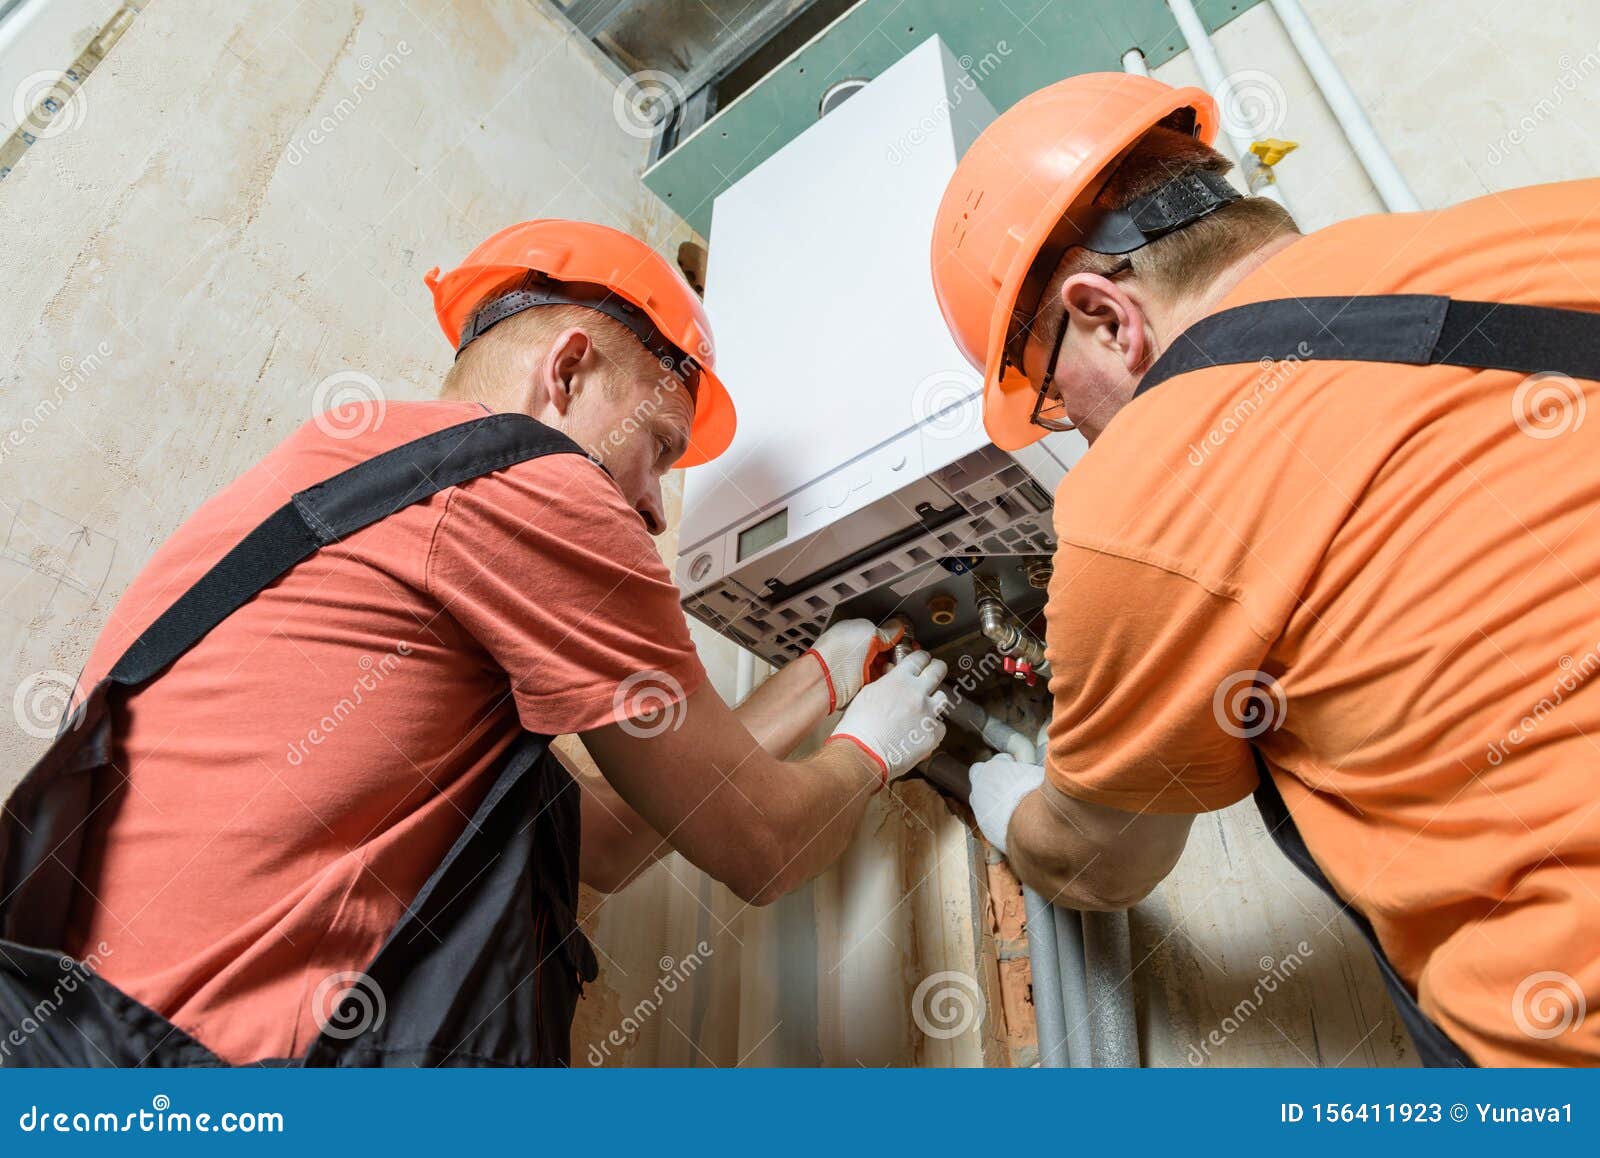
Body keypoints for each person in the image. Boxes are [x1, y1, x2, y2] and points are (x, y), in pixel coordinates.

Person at [0, 220, 947, 1067]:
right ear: (567, 370)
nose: (656, 510)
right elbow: (765, 849)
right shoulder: (532, 483)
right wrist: (873, 752)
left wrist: (820, 678)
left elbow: (609, 843)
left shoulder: (343, 482)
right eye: (658, 447)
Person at [931, 72, 1599, 1066]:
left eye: (1049, 389)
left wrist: (1007, 812)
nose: (1067, 421)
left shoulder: (1137, 501)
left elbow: (1102, 860)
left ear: (1104, 312)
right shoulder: (1559, 223)